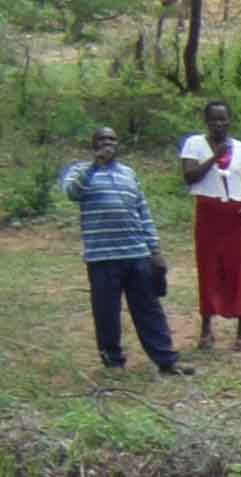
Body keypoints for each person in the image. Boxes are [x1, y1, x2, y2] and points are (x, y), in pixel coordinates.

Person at [59, 128, 173, 373]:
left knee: (149, 308)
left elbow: (143, 212)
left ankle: (166, 360)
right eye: (102, 140)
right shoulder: (80, 171)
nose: (107, 143)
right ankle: (113, 363)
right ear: (94, 145)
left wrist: (155, 250)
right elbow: (72, 193)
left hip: (136, 253)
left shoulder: (128, 174)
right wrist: (94, 166)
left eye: (111, 139)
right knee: (106, 312)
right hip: (102, 257)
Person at [178, 103, 241, 348]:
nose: (218, 124)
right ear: (205, 121)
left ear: (230, 120)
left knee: (240, 269)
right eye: (213, 120)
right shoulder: (194, 144)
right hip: (208, 213)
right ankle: (207, 327)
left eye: (222, 120)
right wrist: (214, 157)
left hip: (237, 215)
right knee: (209, 268)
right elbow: (190, 177)